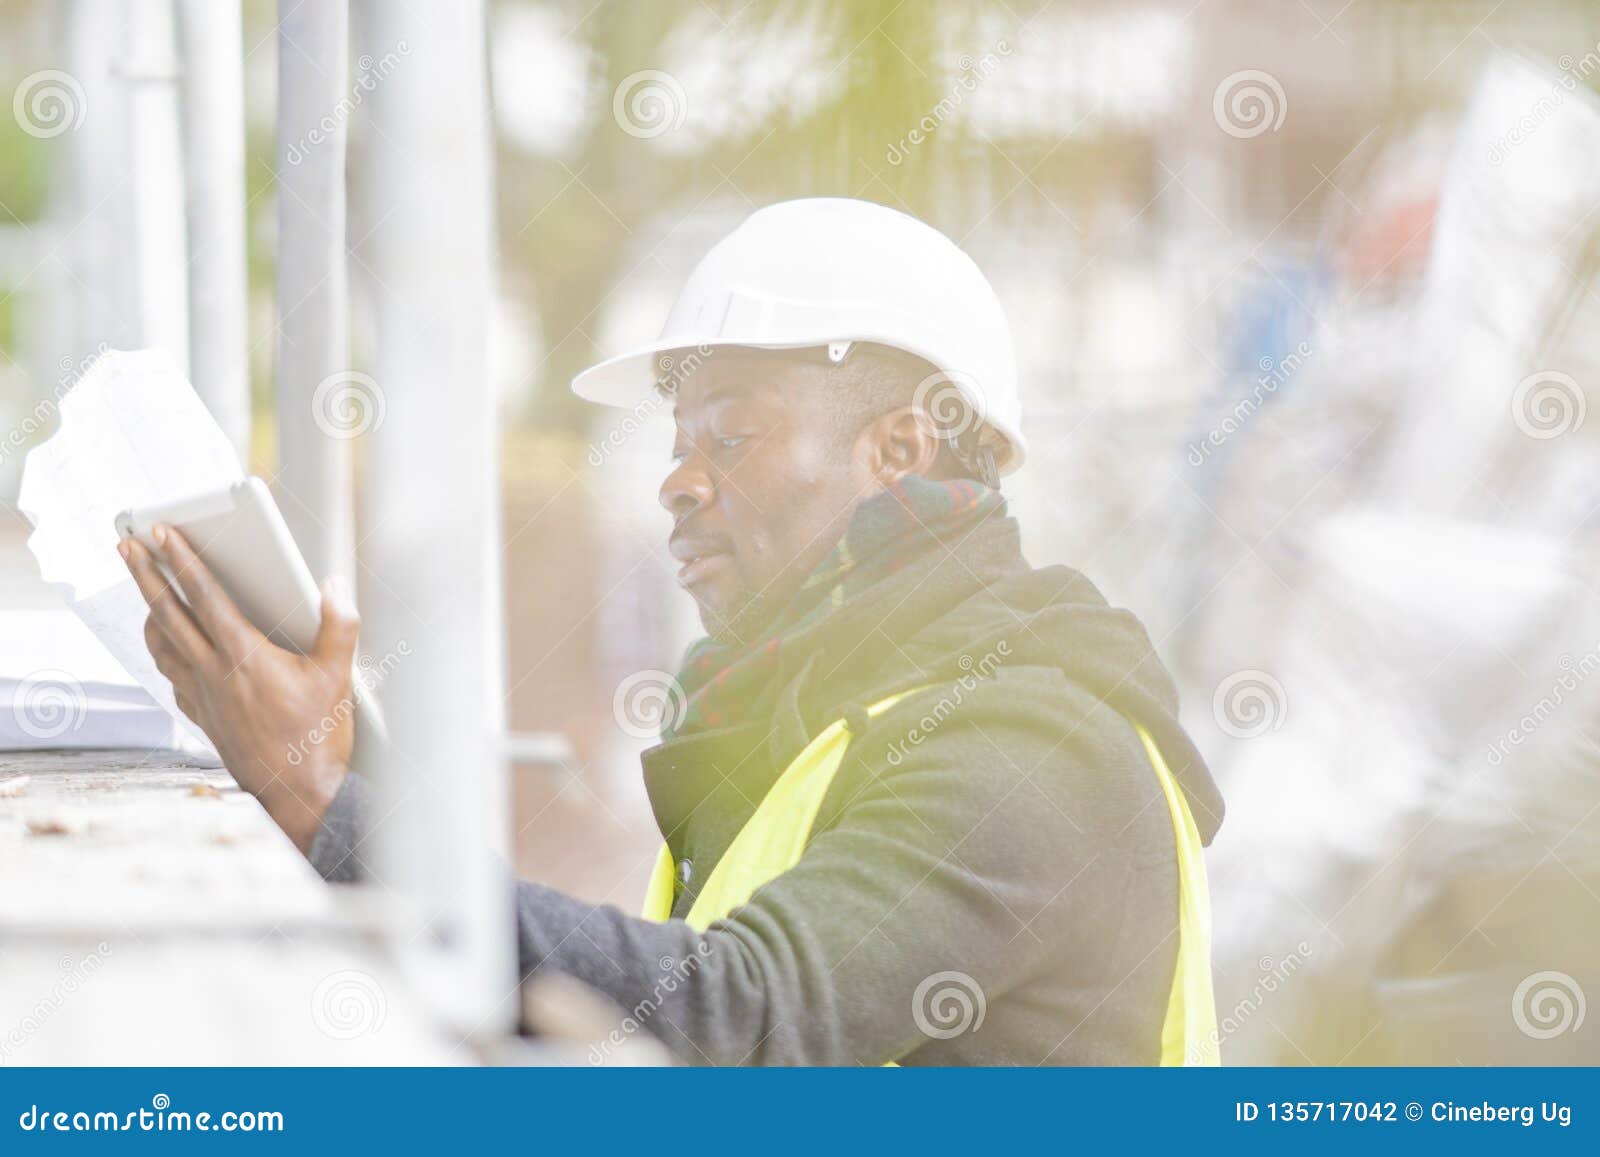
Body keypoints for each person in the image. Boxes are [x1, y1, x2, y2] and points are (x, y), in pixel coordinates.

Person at [119, 198, 1225, 1066]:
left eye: (730, 437)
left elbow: (729, 1020)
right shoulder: (827, 713)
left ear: (898, 450)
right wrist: (345, 777)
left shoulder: (1027, 747)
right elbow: (622, 991)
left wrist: (315, 794)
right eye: (679, 441)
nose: (677, 481)